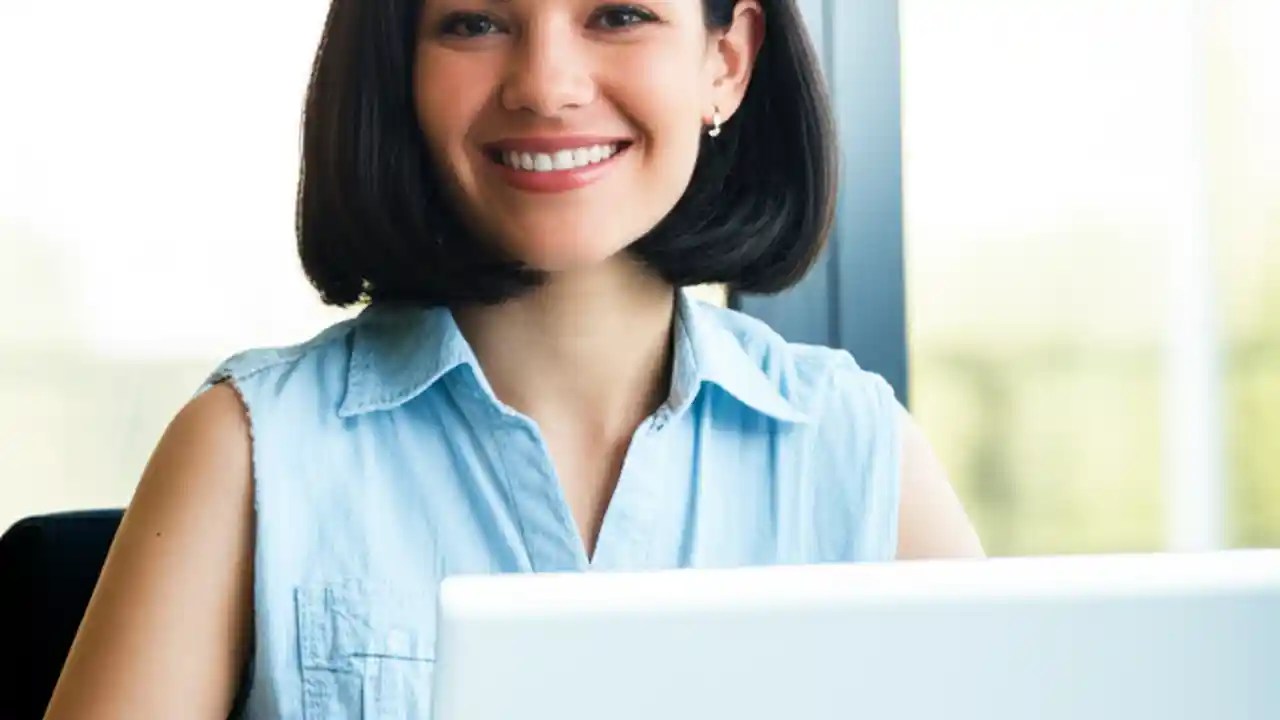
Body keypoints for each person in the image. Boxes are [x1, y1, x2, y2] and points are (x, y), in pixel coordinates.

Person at [45, 0, 984, 717]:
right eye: (475, 22)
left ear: (726, 62)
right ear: (401, 70)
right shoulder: (247, 448)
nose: (545, 84)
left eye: (618, 15)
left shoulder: (856, 450)